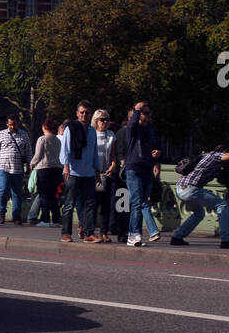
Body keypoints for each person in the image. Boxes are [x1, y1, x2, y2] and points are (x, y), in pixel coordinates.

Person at [170, 145, 229, 249]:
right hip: (191, 189)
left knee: (199, 213)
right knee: (222, 204)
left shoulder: (205, 156)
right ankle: (226, 240)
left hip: (180, 188)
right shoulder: (215, 156)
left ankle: (177, 237)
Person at [123, 102, 161, 246]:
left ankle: (134, 236)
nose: (148, 115)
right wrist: (137, 109)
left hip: (147, 168)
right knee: (137, 203)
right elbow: (131, 124)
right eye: (145, 113)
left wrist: (158, 155)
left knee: (142, 202)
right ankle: (134, 235)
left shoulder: (151, 130)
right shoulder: (133, 128)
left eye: (149, 113)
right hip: (134, 168)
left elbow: (157, 146)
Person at [59, 100, 98, 242]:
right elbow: (65, 149)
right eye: (81, 112)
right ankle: (66, 233)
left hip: (88, 172)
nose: (84, 115)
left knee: (89, 204)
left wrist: (97, 171)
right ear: (77, 113)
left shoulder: (92, 131)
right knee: (69, 203)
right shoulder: (71, 128)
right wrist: (66, 166)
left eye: (87, 112)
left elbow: (94, 152)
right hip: (73, 171)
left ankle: (88, 233)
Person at [0, 113, 31, 225]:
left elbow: (28, 152)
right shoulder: (0, 134)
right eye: (10, 124)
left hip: (18, 168)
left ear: (18, 123)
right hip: (4, 167)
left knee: (17, 193)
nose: (12, 127)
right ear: (7, 124)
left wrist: (29, 165)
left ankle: (16, 216)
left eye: (14, 124)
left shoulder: (24, 135)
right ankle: (1, 212)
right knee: (3, 189)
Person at [26, 118, 62, 227]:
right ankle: (56, 219)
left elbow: (38, 155)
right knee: (53, 196)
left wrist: (31, 164)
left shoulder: (42, 139)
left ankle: (45, 219)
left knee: (44, 195)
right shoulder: (58, 140)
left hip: (44, 169)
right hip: (56, 169)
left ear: (44, 127)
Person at [91, 109, 118, 242]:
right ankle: (88, 229)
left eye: (107, 119)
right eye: (102, 119)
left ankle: (104, 232)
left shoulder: (111, 135)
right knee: (93, 204)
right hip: (92, 173)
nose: (105, 122)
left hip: (106, 173)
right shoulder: (91, 134)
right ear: (96, 121)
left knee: (105, 204)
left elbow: (113, 155)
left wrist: (113, 165)